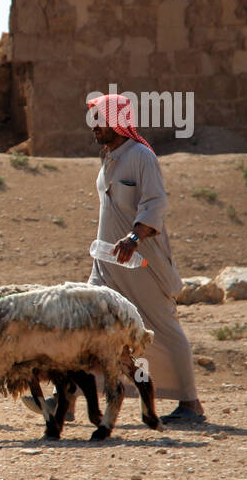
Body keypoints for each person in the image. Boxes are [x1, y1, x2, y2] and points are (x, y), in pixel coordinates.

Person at [81, 92, 205, 423]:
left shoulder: (141, 156)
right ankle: (67, 400)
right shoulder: (109, 156)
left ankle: (190, 402)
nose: (94, 127)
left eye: (99, 120)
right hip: (107, 262)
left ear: (118, 122)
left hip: (141, 263)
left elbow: (156, 204)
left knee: (161, 326)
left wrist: (134, 238)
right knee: (92, 323)